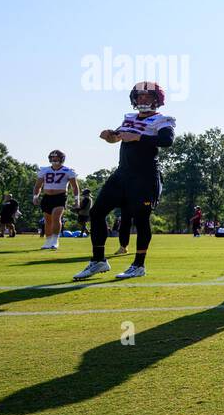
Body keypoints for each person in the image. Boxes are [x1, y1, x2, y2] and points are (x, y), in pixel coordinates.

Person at [72, 81, 175, 281]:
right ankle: (99, 260)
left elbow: (166, 141)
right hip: (122, 174)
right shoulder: (129, 117)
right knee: (97, 212)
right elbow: (119, 138)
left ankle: (138, 265)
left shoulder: (162, 120)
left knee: (141, 219)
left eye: (147, 96)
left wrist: (137, 138)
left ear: (157, 99)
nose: (142, 99)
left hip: (145, 177)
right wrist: (109, 136)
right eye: (139, 96)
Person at [32, 149, 79, 250]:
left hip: (60, 197)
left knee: (56, 217)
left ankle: (55, 240)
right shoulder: (44, 170)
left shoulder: (68, 170)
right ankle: (48, 241)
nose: (54, 159)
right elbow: (38, 186)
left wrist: (77, 200)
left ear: (61, 159)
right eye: (53, 157)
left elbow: (75, 187)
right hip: (47, 197)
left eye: (56, 157)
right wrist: (35, 197)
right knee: (47, 220)